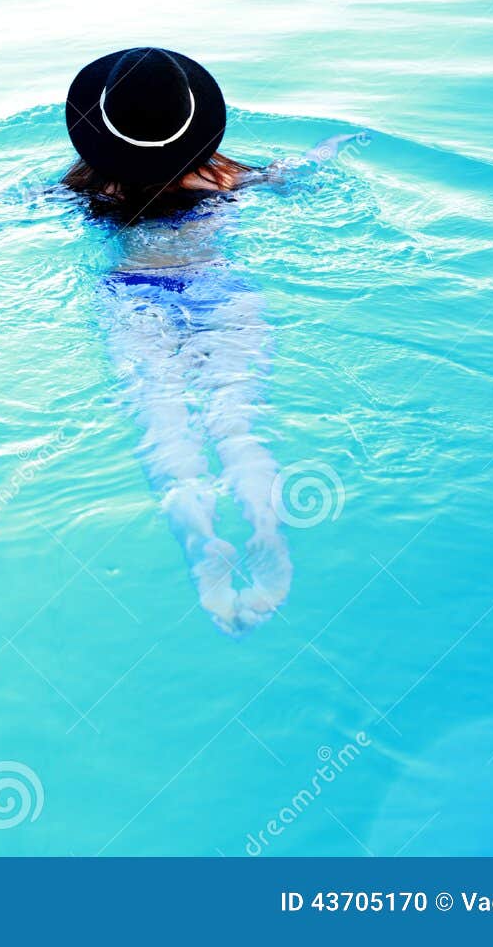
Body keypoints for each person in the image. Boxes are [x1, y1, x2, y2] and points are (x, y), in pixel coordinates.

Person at [64, 46, 352, 635]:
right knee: (237, 421)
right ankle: (268, 532)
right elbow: (301, 173)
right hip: (220, 293)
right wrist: (336, 146)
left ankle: (201, 542)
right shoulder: (230, 178)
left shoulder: (92, 189)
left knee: (163, 421)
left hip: (134, 296)